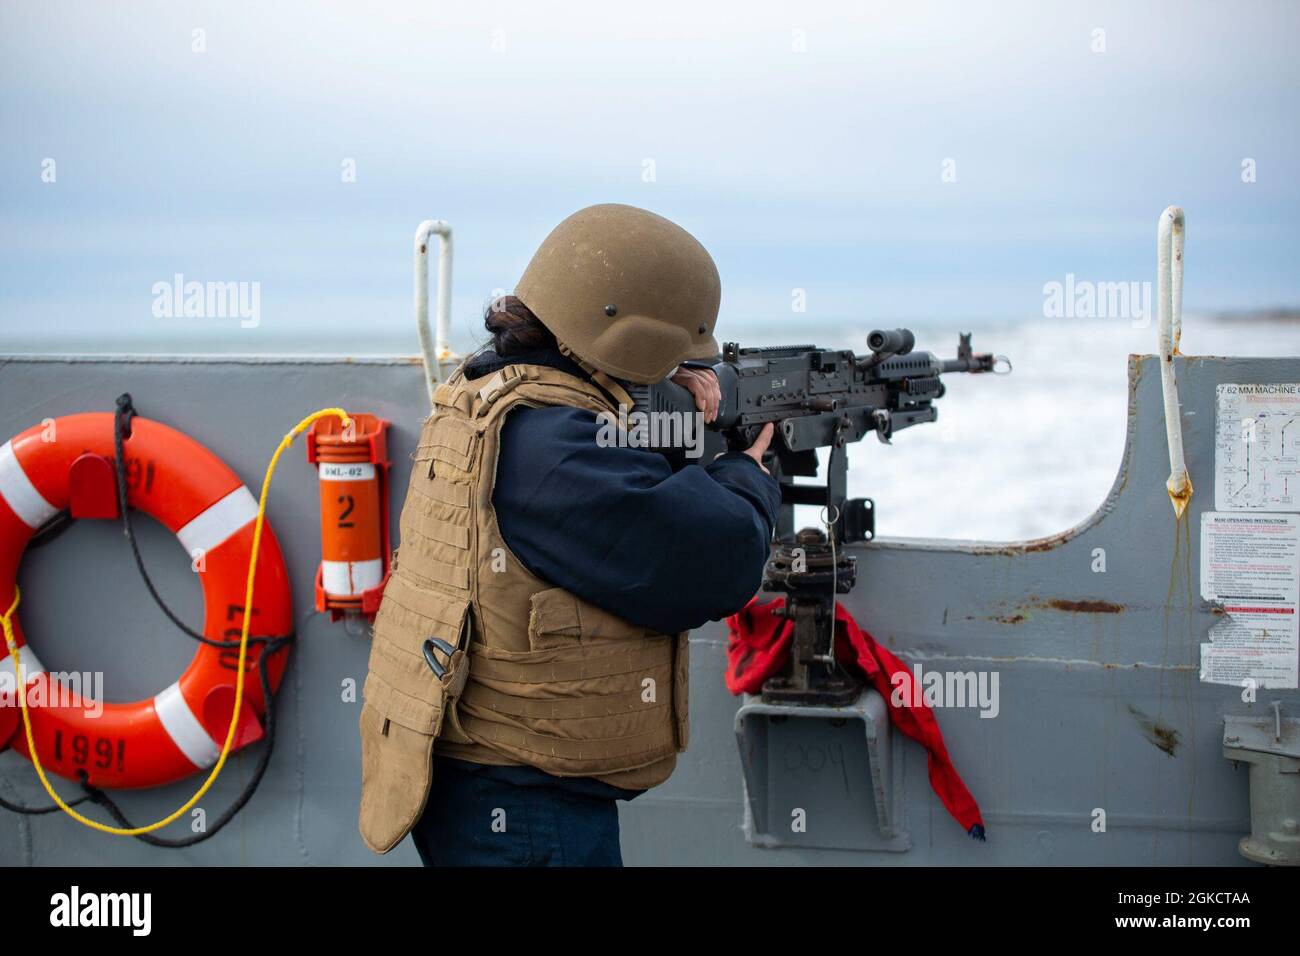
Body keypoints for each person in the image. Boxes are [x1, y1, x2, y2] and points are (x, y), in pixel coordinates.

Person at [357, 203, 780, 866]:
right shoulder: (556, 448)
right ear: (630, 340)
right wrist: (748, 474)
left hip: (477, 773)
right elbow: (716, 560)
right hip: (524, 803)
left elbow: (615, 463)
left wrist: (683, 429)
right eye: (669, 364)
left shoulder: (491, 396)